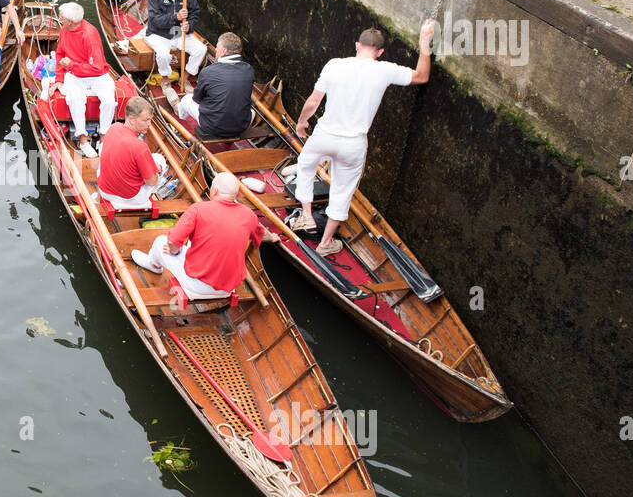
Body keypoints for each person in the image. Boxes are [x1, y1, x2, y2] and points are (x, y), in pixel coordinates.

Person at [291, 23, 434, 257]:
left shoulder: (334, 65)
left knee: (305, 166)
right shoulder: (385, 69)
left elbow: (313, 102)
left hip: (325, 134)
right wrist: (424, 43)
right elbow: (422, 76)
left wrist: (301, 123)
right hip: (353, 143)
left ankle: (306, 216)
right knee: (342, 191)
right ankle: (326, 243)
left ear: (357, 45)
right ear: (379, 52)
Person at [132, 172, 280, 299]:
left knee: (160, 241)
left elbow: (173, 240)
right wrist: (273, 237)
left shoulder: (198, 209)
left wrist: (174, 251)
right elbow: (263, 235)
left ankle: (154, 264)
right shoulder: (249, 215)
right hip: (228, 289)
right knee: (193, 244)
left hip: (197, 284)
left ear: (214, 191)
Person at [54, 1, 116, 159]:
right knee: (75, 98)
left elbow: (97, 66)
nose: (59, 20)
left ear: (70, 21)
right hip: (75, 74)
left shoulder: (89, 34)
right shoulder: (64, 30)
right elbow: (60, 54)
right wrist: (59, 78)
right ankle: (82, 139)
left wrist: (72, 65)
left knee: (109, 100)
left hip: (97, 75)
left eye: (61, 18)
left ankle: (104, 136)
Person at [169, 32, 255, 139]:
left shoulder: (208, 71)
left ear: (224, 51)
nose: (215, 50)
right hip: (241, 126)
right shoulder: (249, 70)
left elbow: (197, 99)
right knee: (252, 111)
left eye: (217, 47)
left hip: (213, 126)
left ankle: (179, 115)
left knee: (187, 99)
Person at [96, 96, 167, 207]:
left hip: (105, 191)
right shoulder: (140, 147)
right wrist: (159, 170)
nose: (149, 124)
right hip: (130, 198)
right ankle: (151, 195)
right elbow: (151, 182)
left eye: (150, 120)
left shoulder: (113, 127)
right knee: (159, 159)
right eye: (145, 120)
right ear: (131, 119)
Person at [144, 0, 208, 80]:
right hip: (158, 33)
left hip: (178, 33)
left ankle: (185, 77)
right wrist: (175, 17)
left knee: (201, 50)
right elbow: (154, 20)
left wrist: (189, 25)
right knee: (163, 55)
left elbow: (194, 13)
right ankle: (165, 79)